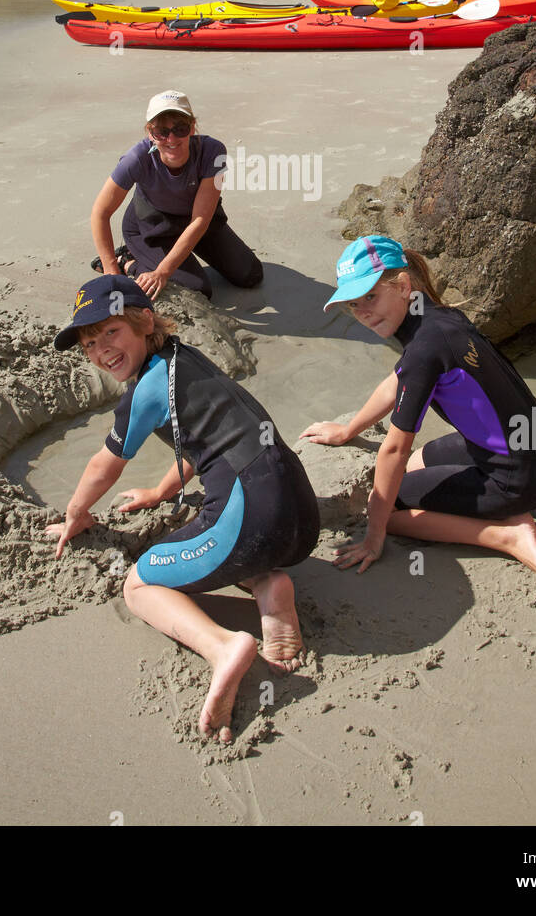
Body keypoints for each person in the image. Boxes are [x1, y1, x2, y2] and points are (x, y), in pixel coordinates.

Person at [46, 275, 320, 741]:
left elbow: (104, 466)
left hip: (252, 517)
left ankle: (222, 647)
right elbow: (203, 444)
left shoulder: (147, 389)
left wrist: (76, 513)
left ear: (143, 321)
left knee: (139, 586)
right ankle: (268, 586)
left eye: (111, 332)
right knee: (216, 529)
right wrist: (158, 492)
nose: (101, 350)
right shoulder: (185, 360)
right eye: (90, 343)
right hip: (298, 513)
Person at [301, 235, 536, 589]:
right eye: (354, 304)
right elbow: (398, 381)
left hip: (516, 478)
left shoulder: (424, 351)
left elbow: (394, 450)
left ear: (402, 286)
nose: (363, 312)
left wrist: (374, 533)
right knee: (418, 463)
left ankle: (506, 535)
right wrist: (349, 429)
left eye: (371, 296)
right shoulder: (442, 318)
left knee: (392, 507)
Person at [90, 89, 263, 300]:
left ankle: (163, 259)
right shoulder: (136, 159)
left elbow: (200, 220)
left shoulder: (213, 152)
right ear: (150, 133)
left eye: (180, 128)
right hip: (151, 229)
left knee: (250, 274)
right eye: (161, 132)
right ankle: (127, 260)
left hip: (196, 221)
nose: (171, 138)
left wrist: (163, 271)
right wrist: (111, 272)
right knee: (198, 289)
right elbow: (100, 212)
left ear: (192, 128)